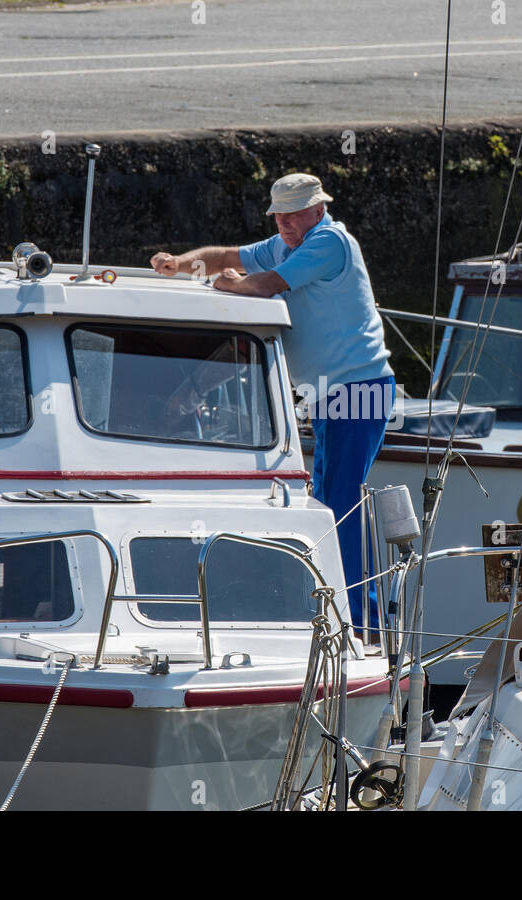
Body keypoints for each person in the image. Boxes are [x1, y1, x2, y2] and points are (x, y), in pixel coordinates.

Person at [149, 173, 395, 632]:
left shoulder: (328, 242)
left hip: (359, 389)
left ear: (317, 210)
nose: (284, 221)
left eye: (293, 212)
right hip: (328, 393)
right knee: (327, 501)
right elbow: (224, 256)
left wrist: (230, 284)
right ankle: (348, 612)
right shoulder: (286, 241)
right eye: (279, 214)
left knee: (337, 502)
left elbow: (263, 285)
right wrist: (181, 263)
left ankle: (359, 619)